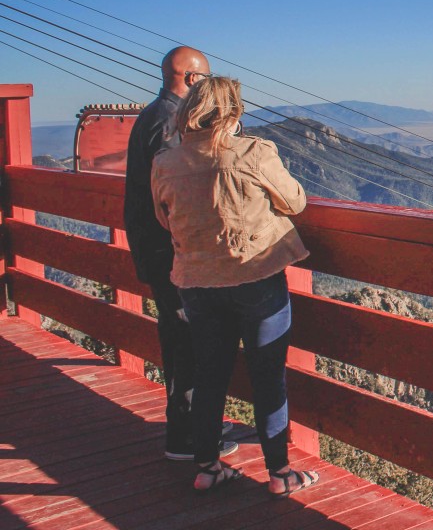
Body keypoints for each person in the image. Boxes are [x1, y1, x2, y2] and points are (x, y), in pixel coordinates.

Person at [151, 75, 319, 496]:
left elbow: (162, 218)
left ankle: (207, 467)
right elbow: (295, 201)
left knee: (209, 375)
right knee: (268, 377)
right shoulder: (253, 153)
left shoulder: (164, 163)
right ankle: (280, 474)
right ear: (233, 111)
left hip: (196, 282)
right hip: (254, 277)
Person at [123, 46, 237, 461]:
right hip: (171, 252)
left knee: (181, 336)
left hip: (158, 249)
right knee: (187, 338)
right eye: (206, 79)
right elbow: (175, 194)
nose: (208, 86)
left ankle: (195, 423)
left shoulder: (153, 114)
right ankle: (187, 438)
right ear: (191, 79)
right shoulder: (170, 122)